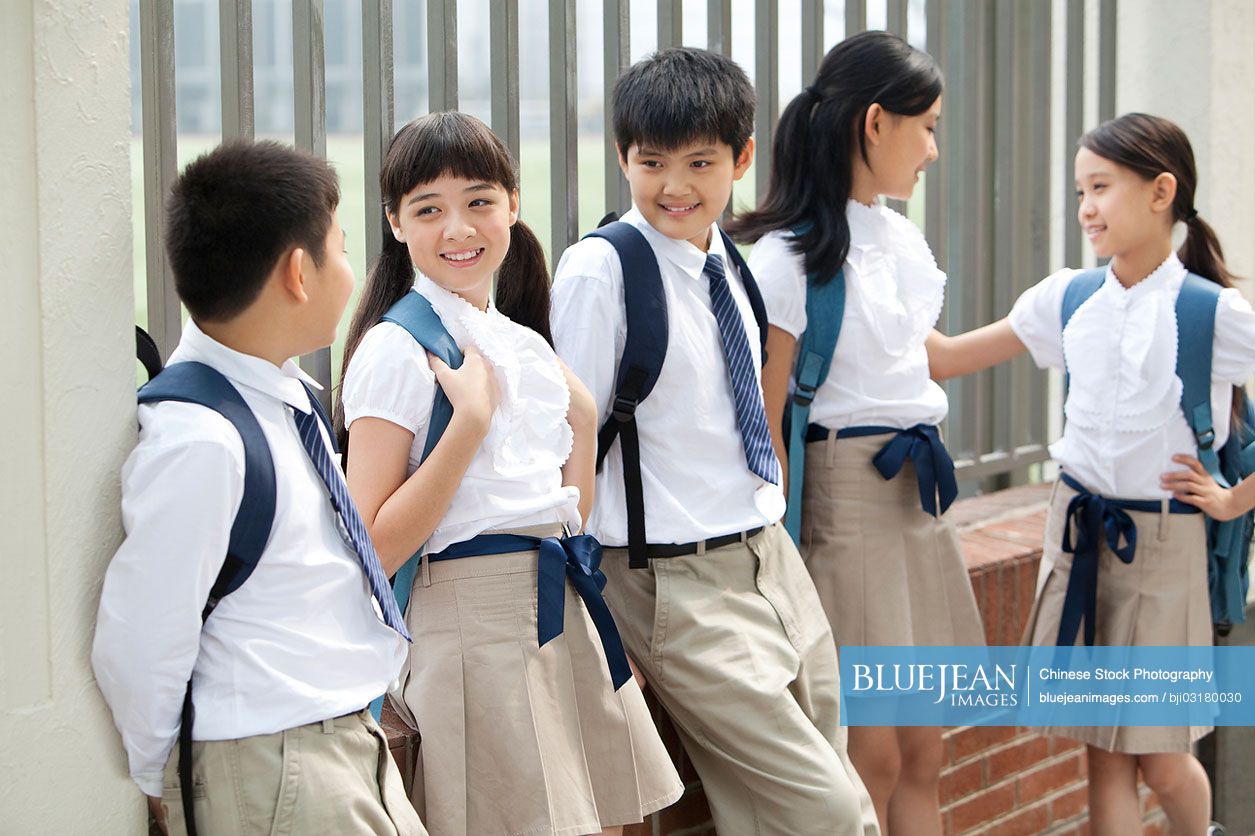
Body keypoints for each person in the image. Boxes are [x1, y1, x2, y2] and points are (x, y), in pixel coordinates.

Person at [550, 47, 878, 836]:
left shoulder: (723, 257)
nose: (673, 186)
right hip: (672, 581)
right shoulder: (602, 271)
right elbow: (568, 433)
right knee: (832, 815)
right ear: (622, 158)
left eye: (699, 162)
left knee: (819, 782)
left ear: (741, 159)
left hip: (768, 557)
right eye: (650, 162)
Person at [336, 111, 682, 836]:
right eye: (428, 210)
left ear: (512, 205)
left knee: (603, 821)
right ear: (395, 224)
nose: (458, 228)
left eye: (479, 201)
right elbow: (371, 548)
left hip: (558, 602)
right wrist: (467, 428)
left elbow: (567, 515)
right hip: (472, 624)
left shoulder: (518, 339)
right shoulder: (398, 348)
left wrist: (581, 420)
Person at [926, 112, 1255, 836]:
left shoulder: (1212, 311)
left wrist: (1233, 501)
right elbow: (945, 357)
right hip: (1074, 538)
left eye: (1100, 187)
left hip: (1163, 550)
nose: (1084, 208)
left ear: (1161, 191)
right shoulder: (1067, 297)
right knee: (1101, 755)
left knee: (1161, 759)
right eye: (1080, 190)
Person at [92, 140, 424, 835]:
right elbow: (141, 635)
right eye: (339, 246)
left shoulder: (280, 401)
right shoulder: (202, 439)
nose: (351, 267)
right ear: (299, 273)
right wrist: (170, 782)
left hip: (335, 747)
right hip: (274, 766)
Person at [726, 31, 985, 836]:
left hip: (917, 500)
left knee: (924, 753)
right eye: (928, 124)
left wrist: (1045, 320)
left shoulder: (895, 238)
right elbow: (762, 427)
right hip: (848, 507)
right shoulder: (785, 259)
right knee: (866, 754)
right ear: (876, 122)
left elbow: (920, 362)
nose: (933, 150)